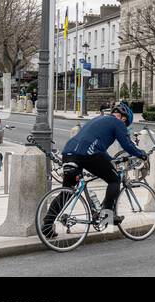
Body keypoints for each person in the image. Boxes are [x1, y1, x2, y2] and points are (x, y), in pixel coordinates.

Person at [46, 100, 148, 234]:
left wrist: (109, 160)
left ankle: (47, 226)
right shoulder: (118, 123)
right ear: (124, 118)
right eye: (126, 123)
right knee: (114, 179)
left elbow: (95, 143)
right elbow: (127, 145)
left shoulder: (98, 119)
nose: (125, 126)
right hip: (88, 154)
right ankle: (107, 215)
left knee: (67, 192)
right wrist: (142, 154)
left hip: (69, 153)